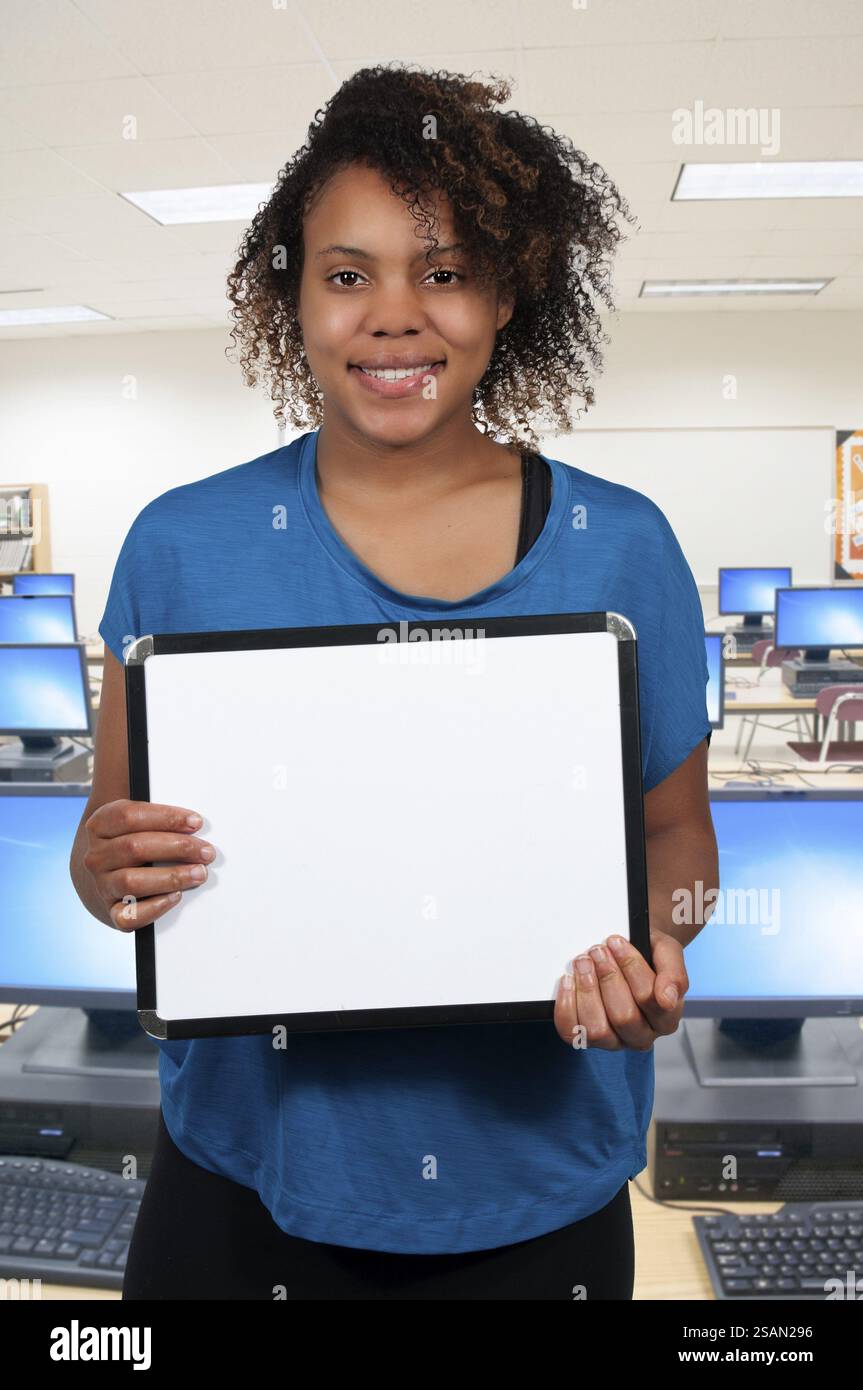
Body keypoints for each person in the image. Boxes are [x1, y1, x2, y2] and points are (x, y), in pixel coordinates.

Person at [70, 64, 718, 1301]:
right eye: (347, 272)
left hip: (534, 1196)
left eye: (445, 269)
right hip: (242, 1186)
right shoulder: (179, 544)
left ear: (506, 291)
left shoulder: (625, 546)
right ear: (296, 296)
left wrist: (655, 948)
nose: (393, 314)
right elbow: (110, 860)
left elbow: (676, 835)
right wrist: (106, 874)